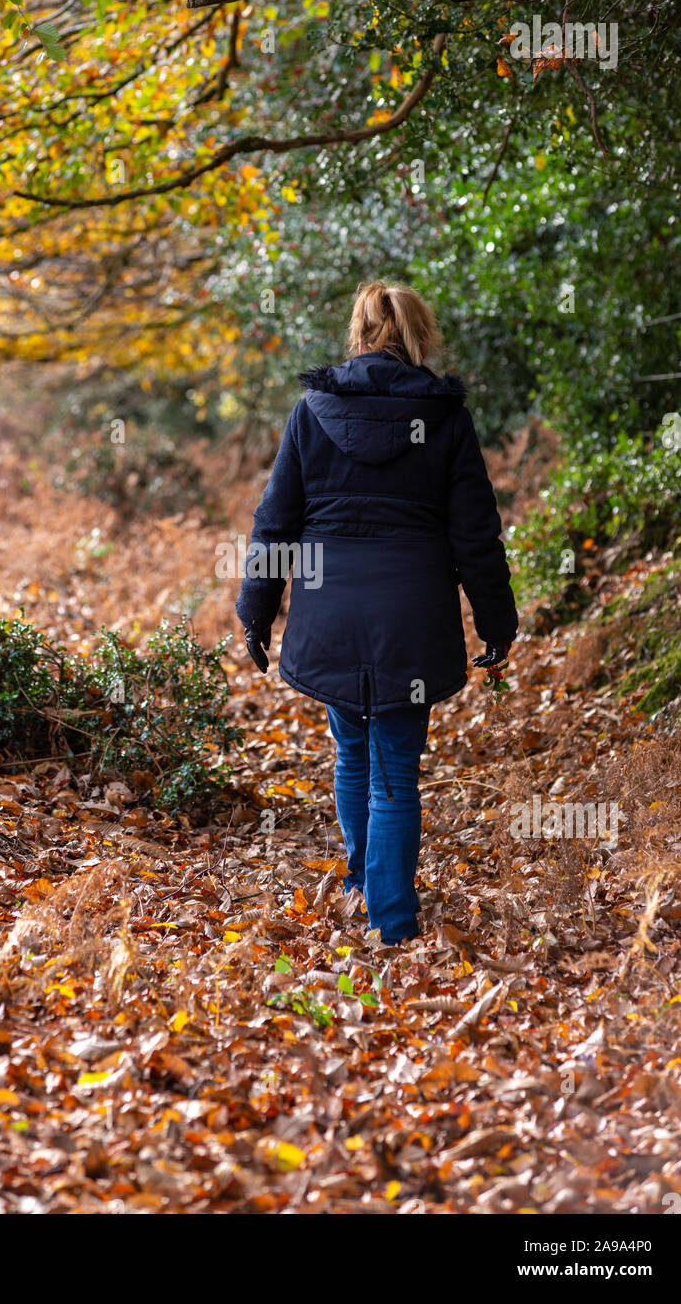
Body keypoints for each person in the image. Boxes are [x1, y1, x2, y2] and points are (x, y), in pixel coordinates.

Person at [236, 280, 518, 945]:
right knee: (393, 767)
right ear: (420, 333)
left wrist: (255, 610)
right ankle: (391, 922)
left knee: (349, 749)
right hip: (409, 618)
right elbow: (474, 534)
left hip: (327, 613)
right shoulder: (444, 417)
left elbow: (274, 523)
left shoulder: (313, 410)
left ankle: (365, 884)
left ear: (359, 333)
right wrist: (497, 621)